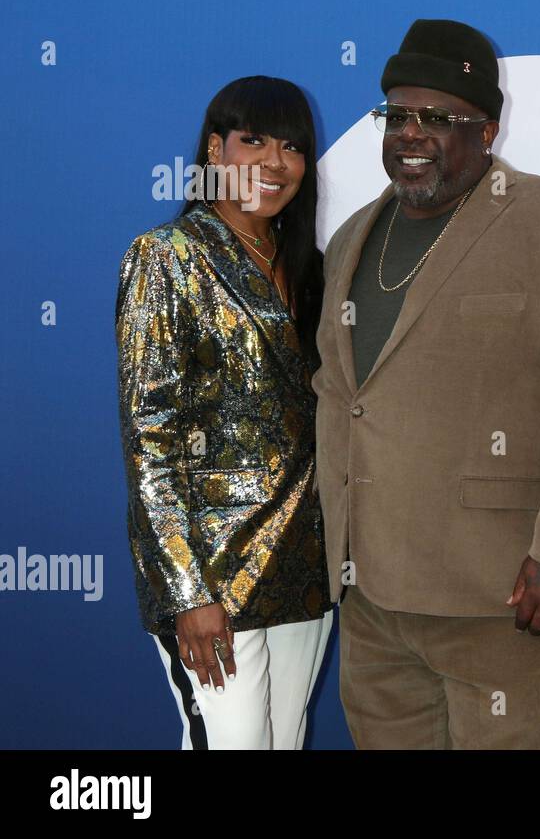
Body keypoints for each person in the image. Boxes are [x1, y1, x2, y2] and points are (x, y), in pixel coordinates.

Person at [313, 19, 540, 749]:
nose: (411, 134)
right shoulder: (352, 236)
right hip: (371, 596)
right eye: (397, 115)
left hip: (505, 592)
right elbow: (343, 399)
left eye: (439, 119)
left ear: (488, 129)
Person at [116, 76, 332, 749]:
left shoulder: (314, 269)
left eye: (293, 146)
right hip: (211, 575)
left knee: (285, 741)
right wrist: (187, 592)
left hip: (304, 568)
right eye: (254, 141)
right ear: (215, 148)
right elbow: (150, 439)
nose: (275, 163)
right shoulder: (167, 257)